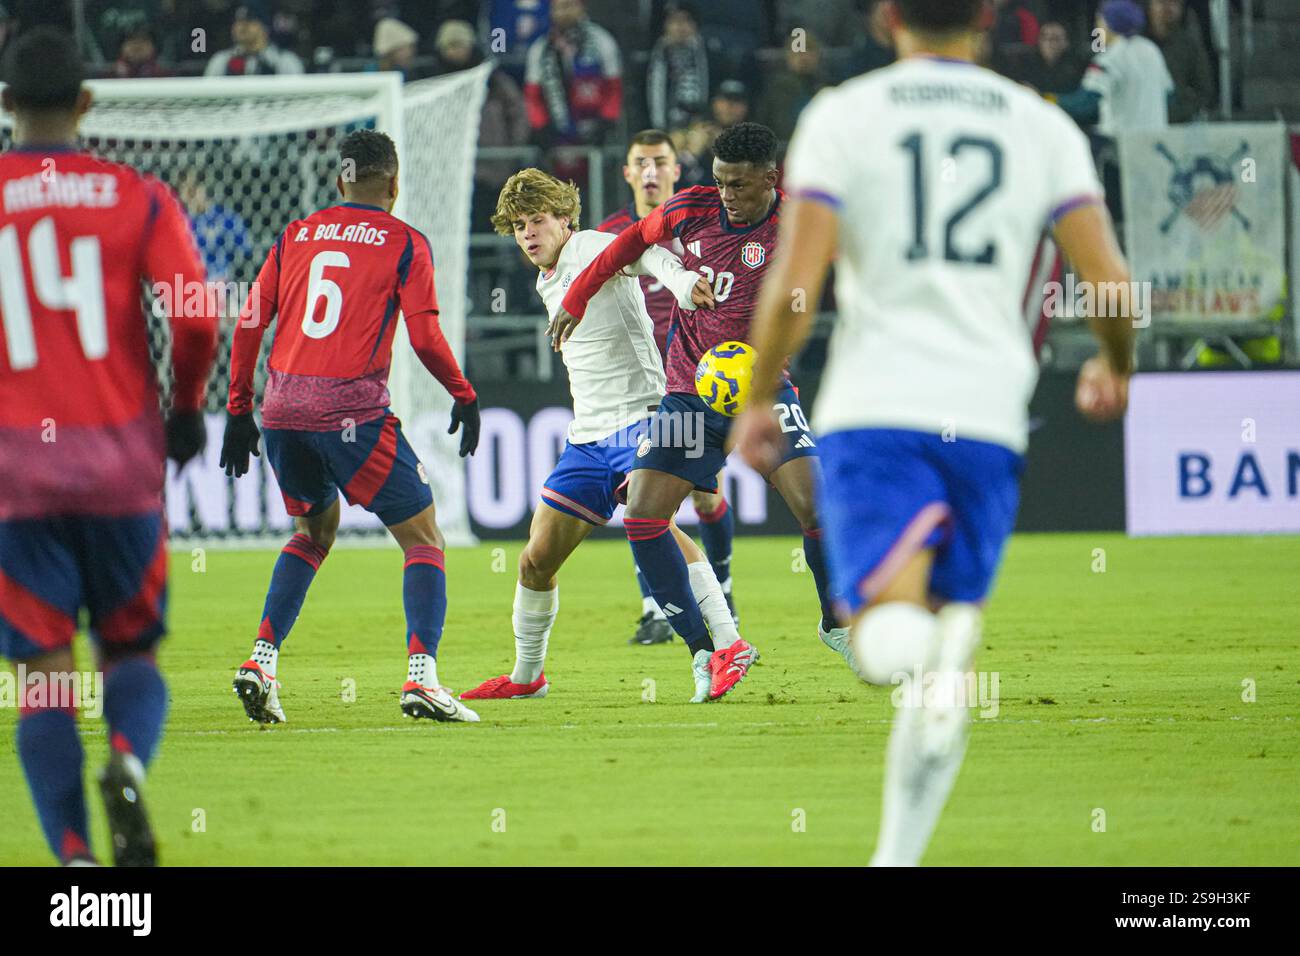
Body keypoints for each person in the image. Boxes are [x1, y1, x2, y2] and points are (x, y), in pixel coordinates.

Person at [733, 0, 1135, 867]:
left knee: (882, 644)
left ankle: (932, 647)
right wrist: (1116, 365)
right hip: (991, 417)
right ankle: (897, 858)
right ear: (988, 18)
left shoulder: (842, 115)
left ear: (886, 19)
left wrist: (760, 395)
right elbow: (1106, 276)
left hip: (876, 409)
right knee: (937, 639)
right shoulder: (1041, 125)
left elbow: (796, 282)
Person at [0, 27, 218, 866]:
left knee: (45, 674)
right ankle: (126, 758)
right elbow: (196, 314)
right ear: (87, 103)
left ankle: (77, 866)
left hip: (17, 475)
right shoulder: (137, 194)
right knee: (130, 650)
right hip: (120, 468)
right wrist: (186, 407)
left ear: (8, 105)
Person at [552, 122, 853, 701]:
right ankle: (705, 653)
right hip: (690, 391)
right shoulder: (690, 207)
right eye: (719, 182)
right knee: (642, 515)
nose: (727, 195)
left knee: (816, 505)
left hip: (764, 392)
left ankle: (835, 623)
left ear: (771, 178)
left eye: (739, 185)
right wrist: (577, 293)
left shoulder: (797, 224)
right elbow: (629, 243)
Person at [220, 129, 482, 726]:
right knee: (423, 538)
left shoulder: (296, 234)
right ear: (394, 183)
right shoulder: (406, 241)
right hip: (351, 412)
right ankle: (423, 679)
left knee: (312, 533)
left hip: (282, 409)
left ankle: (261, 662)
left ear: (340, 179)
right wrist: (464, 395)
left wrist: (239, 408)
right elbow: (425, 336)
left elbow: (250, 320)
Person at [459, 169, 741, 703]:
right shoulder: (547, 278)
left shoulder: (592, 247)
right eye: (519, 225)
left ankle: (725, 644)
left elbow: (650, 253)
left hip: (645, 416)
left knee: (655, 526)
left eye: (538, 220)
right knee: (535, 560)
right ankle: (526, 677)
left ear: (565, 218)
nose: (527, 234)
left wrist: (682, 283)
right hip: (587, 437)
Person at [598, 130, 739, 646]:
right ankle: (655, 606)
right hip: (637, 386)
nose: (652, 171)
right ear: (627, 172)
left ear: (678, 171)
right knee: (643, 497)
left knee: (703, 500)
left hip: (694, 378)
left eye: (661, 161)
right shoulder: (611, 234)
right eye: (642, 162)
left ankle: (721, 587)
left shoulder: (702, 226)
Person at [1059, 0, 1172, 135]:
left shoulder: (1109, 58)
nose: (1097, 26)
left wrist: (1048, 99)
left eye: (1100, 21)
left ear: (1109, 24)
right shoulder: (1151, 50)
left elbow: (1086, 104)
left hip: (1121, 144)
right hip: (1155, 142)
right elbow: (1169, 95)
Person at [522, 0, 622, 149]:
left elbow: (614, 87)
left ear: (582, 7)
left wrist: (607, 120)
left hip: (596, 133)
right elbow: (532, 94)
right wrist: (541, 126)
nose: (563, 13)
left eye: (569, 6)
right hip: (557, 135)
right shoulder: (541, 48)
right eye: (558, 8)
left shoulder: (602, 41)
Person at [645, 1, 711, 134]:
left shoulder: (710, 54)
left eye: (686, 21)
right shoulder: (652, 58)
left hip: (702, 124)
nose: (680, 27)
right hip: (665, 126)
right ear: (665, 26)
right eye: (674, 21)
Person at [1146, 0, 1214, 122]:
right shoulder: (1133, 44)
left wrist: (1182, 111)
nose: (1168, 8)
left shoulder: (1190, 46)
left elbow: (1204, 91)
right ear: (1150, 6)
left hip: (1178, 123)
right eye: (1162, 2)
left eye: (1174, 3)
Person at [204, 2, 303, 77]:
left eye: (249, 22)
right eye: (238, 22)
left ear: (265, 27)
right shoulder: (221, 61)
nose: (242, 27)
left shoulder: (285, 61)